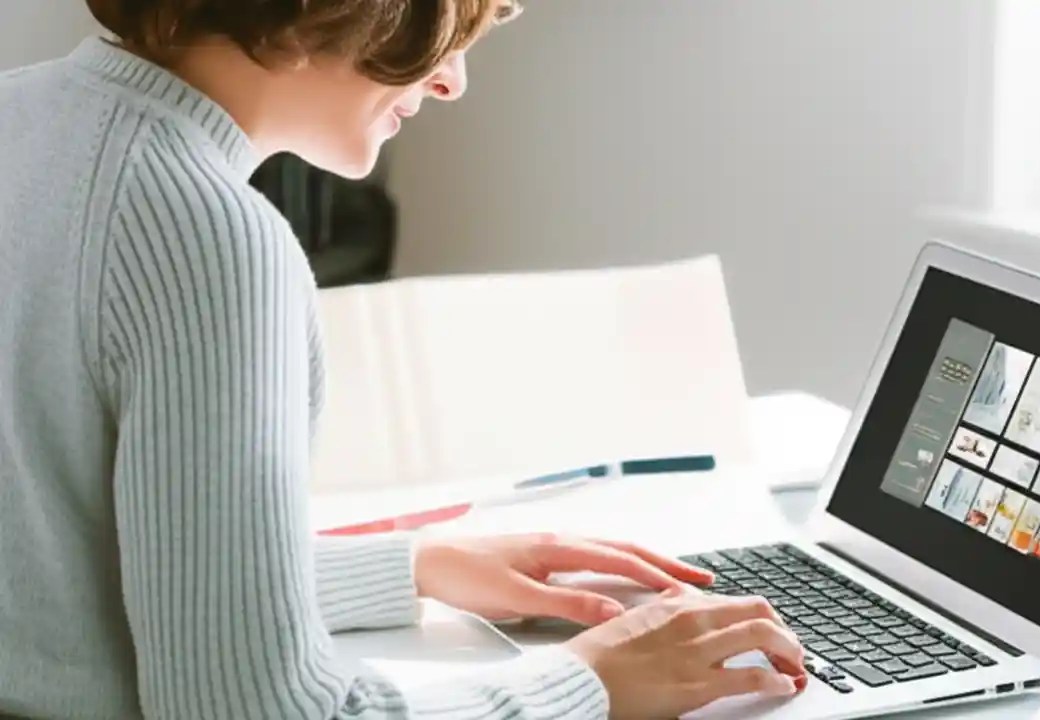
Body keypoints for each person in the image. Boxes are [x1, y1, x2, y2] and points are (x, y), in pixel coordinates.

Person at [0, 1, 807, 717]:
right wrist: (586, 685)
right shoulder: (210, 237)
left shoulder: (20, 114)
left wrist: (409, 569)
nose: (453, 81)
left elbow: (60, 582)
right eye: (445, 31)